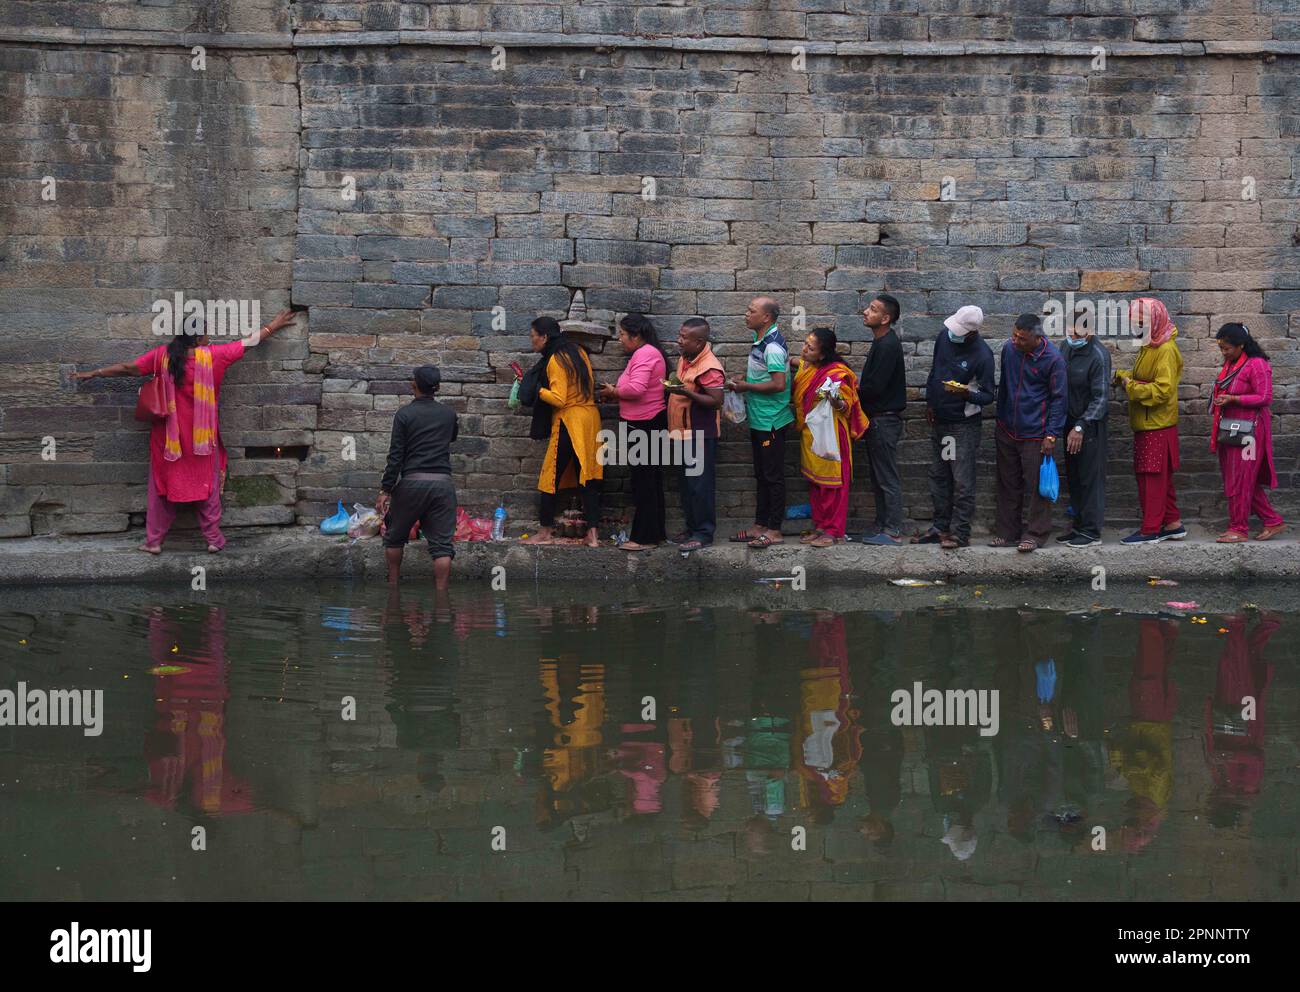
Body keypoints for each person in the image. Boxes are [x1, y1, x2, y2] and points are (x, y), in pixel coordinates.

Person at [71, 308, 297, 554]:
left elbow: (128, 368)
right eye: (207, 333)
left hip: (168, 440)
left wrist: (94, 373)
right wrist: (274, 325)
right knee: (207, 487)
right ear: (199, 338)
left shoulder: (161, 357)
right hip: (202, 439)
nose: (209, 337)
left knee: (162, 488)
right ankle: (213, 540)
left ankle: (154, 542)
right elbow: (249, 342)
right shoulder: (214, 356)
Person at [916, 304, 995, 550]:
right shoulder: (944, 336)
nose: (954, 333)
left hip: (963, 426)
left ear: (972, 333)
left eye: (960, 331)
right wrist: (931, 402)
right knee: (938, 476)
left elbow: (988, 395)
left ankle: (961, 533)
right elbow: (934, 371)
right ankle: (940, 527)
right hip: (940, 420)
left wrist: (965, 394)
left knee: (962, 481)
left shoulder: (983, 355)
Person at [521, 316, 603, 547]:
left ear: (544, 337)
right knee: (588, 478)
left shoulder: (555, 359)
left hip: (570, 421)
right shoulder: (578, 351)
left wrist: (537, 390)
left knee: (550, 477)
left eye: (533, 336)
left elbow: (558, 399)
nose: (532, 341)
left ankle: (545, 531)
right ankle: (593, 534)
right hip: (590, 420)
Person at [376, 365, 459, 590]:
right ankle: (442, 598)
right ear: (438, 387)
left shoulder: (404, 415)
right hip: (442, 485)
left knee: (394, 538)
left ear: (414, 385)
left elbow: (395, 457)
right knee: (442, 547)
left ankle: (393, 587)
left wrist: (385, 490)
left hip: (411, 484)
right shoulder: (449, 414)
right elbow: (451, 437)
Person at [991, 313, 1066, 552]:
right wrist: (1000, 420)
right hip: (1007, 429)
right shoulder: (1009, 351)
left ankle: (1035, 534)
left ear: (1037, 338)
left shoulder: (1053, 360)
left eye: (1021, 338)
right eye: (1014, 335)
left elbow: (1059, 399)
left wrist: (1051, 434)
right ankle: (1007, 531)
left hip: (1036, 433)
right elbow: (1004, 386)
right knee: (1007, 483)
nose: (1015, 341)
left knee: (1036, 486)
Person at [1114, 298, 1186, 544]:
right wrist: (1124, 376)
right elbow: (1141, 377)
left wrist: (1131, 386)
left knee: (1151, 479)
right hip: (1148, 423)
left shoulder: (1165, 350)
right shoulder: (1150, 345)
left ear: (1155, 321)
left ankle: (1150, 529)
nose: (1137, 329)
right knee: (1158, 478)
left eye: (1141, 323)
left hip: (1157, 425)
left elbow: (1162, 390)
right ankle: (1172, 523)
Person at [725, 296, 793, 549]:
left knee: (772, 476)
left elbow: (778, 384)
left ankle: (774, 529)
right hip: (760, 420)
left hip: (772, 422)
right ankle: (759, 525)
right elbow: (767, 373)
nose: (746, 314)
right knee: (762, 475)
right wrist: (747, 378)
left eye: (751, 311)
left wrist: (746, 386)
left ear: (766, 317)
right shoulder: (761, 342)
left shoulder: (772, 346)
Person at [790, 328, 869, 547]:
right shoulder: (808, 367)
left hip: (833, 434)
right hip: (811, 433)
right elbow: (797, 363)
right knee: (816, 482)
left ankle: (834, 532)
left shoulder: (838, 374)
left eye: (810, 348)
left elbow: (846, 407)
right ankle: (821, 527)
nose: (805, 349)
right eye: (805, 344)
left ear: (823, 354)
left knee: (833, 485)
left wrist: (835, 400)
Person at [597, 313, 667, 551]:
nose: (620, 339)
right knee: (650, 480)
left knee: (644, 482)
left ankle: (645, 538)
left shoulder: (645, 353)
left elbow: (636, 389)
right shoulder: (645, 353)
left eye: (623, 335)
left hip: (644, 424)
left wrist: (614, 392)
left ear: (636, 336)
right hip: (645, 422)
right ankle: (655, 534)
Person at [1210, 322, 1285, 542]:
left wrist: (1233, 398)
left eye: (1227, 348)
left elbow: (1265, 397)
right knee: (1238, 479)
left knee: (1242, 479)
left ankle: (1239, 528)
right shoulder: (1232, 364)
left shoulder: (1257, 364)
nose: (1224, 352)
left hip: (1250, 434)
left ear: (1241, 345)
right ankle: (1272, 521)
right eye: (1221, 348)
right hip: (1232, 432)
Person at [665, 318, 725, 552]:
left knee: (700, 486)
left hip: (699, 434)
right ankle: (692, 528)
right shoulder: (687, 357)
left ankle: (704, 533)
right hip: (682, 432)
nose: (679, 341)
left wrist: (684, 393)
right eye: (680, 335)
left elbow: (716, 401)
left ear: (699, 342)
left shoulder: (709, 366)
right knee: (687, 484)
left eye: (684, 338)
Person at [1057, 315, 1112, 548]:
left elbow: (1101, 398)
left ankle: (1091, 531)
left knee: (1090, 478)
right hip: (1068, 422)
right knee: (1075, 477)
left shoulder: (1098, 356)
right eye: (1070, 333)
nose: (1072, 338)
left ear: (1089, 333)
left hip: (1089, 426)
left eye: (1077, 335)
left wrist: (1081, 425)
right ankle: (1078, 525)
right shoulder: (1065, 347)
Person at [857, 294, 907, 545]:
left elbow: (875, 387)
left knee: (886, 476)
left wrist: (849, 391)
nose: (866, 312)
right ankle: (881, 524)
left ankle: (892, 530)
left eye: (873, 309)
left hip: (884, 420)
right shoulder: (881, 342)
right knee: (878, 476)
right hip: (876, 419)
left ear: (885, 318)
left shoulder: (887, 345)